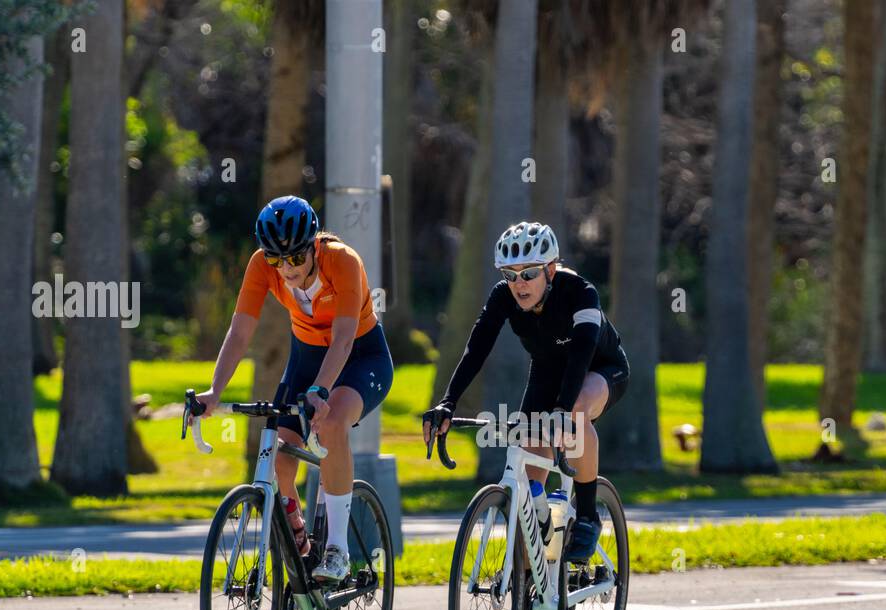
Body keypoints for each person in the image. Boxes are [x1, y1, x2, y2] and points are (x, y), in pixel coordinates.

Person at [191, 195, 394, 582]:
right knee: (280, 459)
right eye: (275, 259)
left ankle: (337, 549)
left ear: (313, 247)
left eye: (295, 258)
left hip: (360, 358)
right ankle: (299, 537)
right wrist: (214, 392)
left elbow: (344, 339)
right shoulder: (260, 265)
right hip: (306, 359)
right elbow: (240, 332)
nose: (285, 268)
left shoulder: (343, 261)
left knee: (331, 422)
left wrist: (320, 390)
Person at [424, 221, 628, 562]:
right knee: (529, 488)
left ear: (550, 269)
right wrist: (448, 401)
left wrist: (562, 409)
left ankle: (589, 516)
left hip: (599, 368)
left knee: (575, 411)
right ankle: (533, 579)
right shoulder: (503, 296)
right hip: (547, 373)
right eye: (510, 274)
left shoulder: (580, 292)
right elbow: (477, 350)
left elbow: (581, 354)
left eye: (529, 273)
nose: (519, 284)